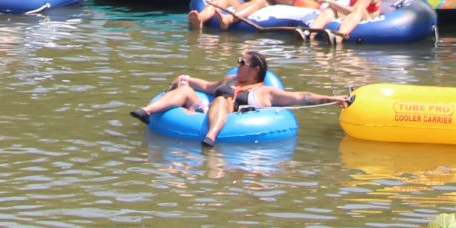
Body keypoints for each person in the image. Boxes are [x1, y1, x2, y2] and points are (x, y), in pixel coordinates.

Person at [128, 52, 348, 146]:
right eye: (238, 61)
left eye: (242, 63)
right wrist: (185, 78)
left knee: (221, 100)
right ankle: (147, 111)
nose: (238, 65)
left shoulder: (265, 92)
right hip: (204, 111)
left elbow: (302, 97)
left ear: (255, 70)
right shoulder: (230, 79)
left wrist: (332, 98)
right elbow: (208, 86)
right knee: (185, 90)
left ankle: (211, 136)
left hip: (232, 117)